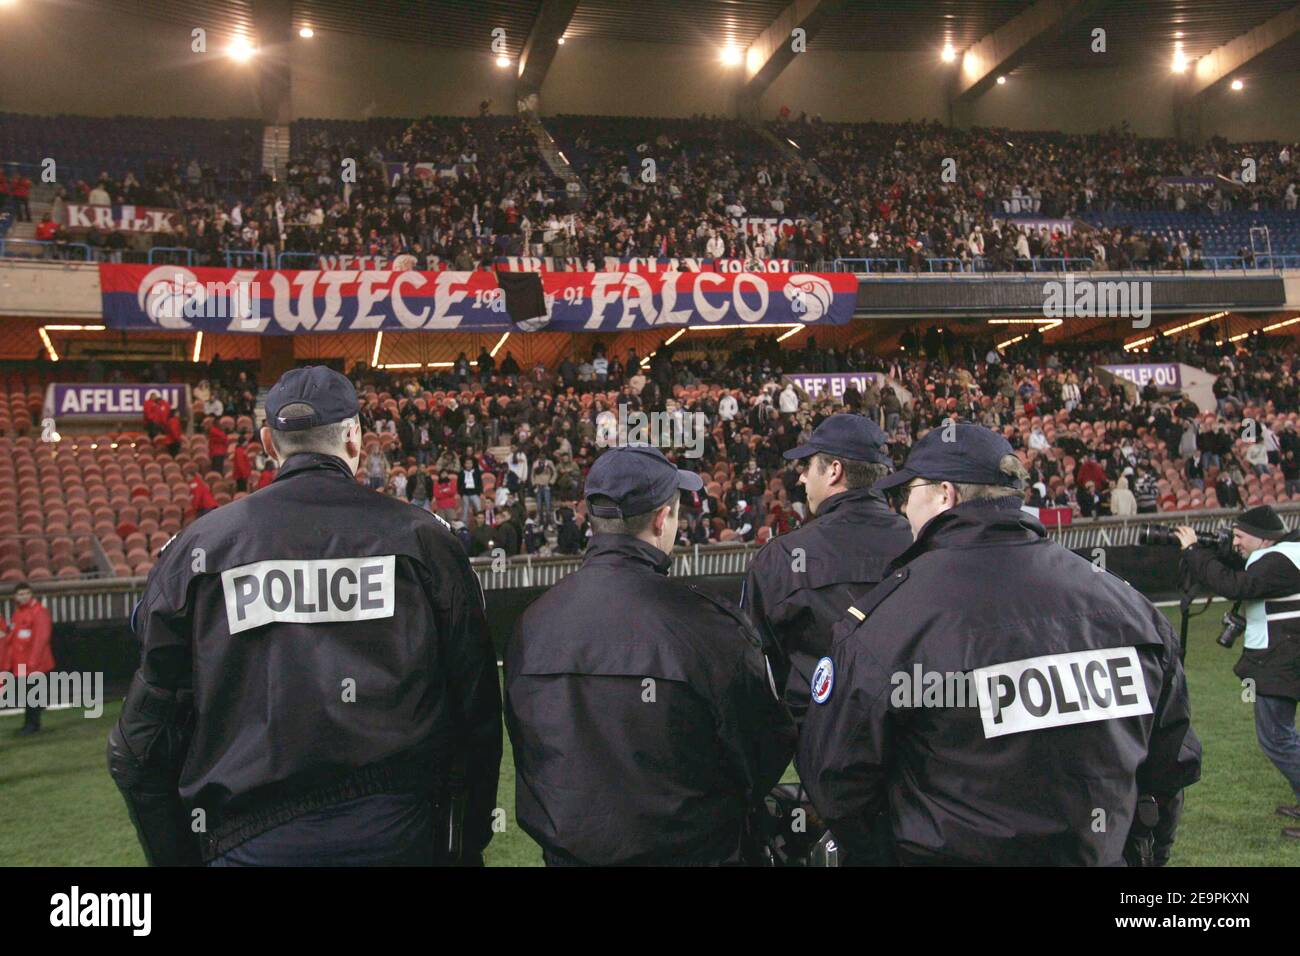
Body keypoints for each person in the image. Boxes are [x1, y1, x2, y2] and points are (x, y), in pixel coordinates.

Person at [108, 366, 502, 866]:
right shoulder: (425, 540)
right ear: (356, 438)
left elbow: (141, 741)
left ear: (269, 442)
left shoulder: (198, 550)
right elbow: (478, 711)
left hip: (247, 841)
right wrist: (464, 839)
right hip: (403, 834)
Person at [799, 423, 1201, 866]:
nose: (903, 509)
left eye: (908, 493)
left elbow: (836, 785)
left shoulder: (888, 621)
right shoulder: (1129, 607)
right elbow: (1169, 771)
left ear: (944, 495)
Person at [505, 445, 795, 865]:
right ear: (663, 518)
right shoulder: (708, 624)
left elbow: (527, 751)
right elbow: (764, 751)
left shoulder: (533, 624)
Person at [741, 414, 911, 731]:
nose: (802, 479)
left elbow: (756, 669)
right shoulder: (922, 543)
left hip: (826, 744)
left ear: (834, 471)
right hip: (916, 739)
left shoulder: (783, 557)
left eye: (808, 467)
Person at [1176, 506, 1300, 840]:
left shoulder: (1278, 559)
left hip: (1281, 658)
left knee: (1277, 738)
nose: (1236, 543)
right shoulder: (1288, 554)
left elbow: (1234, 585)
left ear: (1263, 538)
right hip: (1284, 656)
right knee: (1283, 734)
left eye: (1240, 537)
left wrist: (1192, 552)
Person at [1, 583, 55, 736]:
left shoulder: (39, 612)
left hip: (33, 663)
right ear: (15, 596)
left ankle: (31, 725)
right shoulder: (18, 613)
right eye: (21, 594)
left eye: (26, 593)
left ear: (31, 594)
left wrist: (33, 662)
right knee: (27, 694)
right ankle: (31, 723)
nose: (23, 596)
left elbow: (41, 638)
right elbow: (15, 635)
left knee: (31, 694)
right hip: (22, 663)